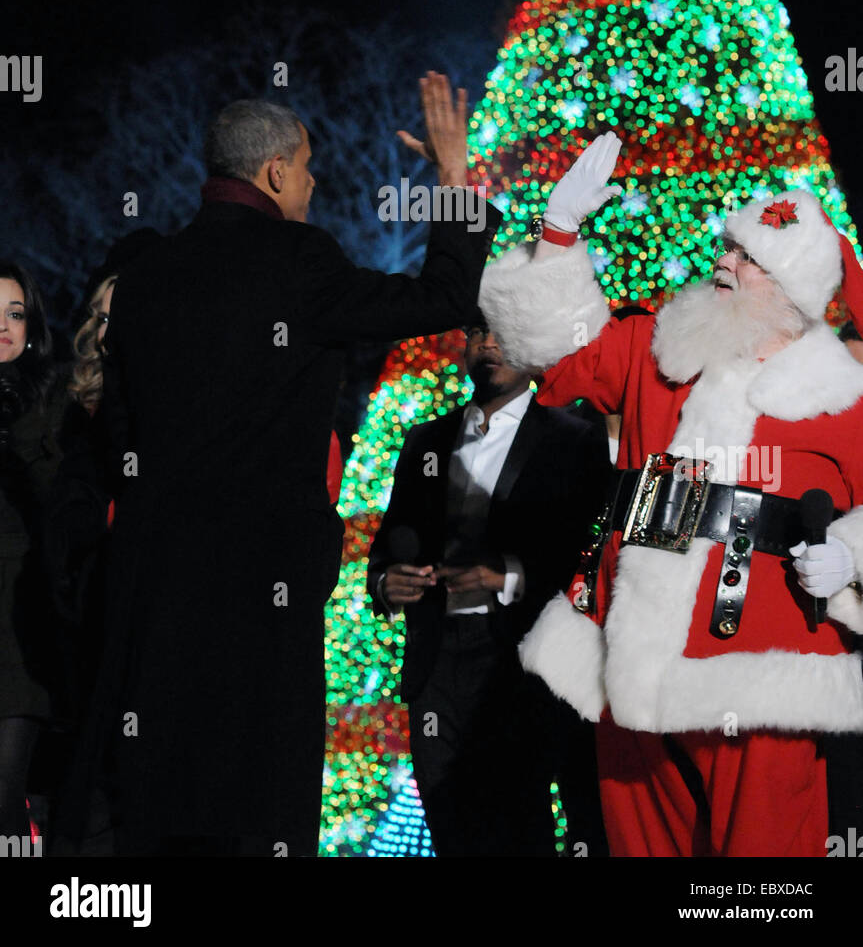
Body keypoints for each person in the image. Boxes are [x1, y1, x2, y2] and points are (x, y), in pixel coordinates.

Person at [59, 75, 501, 857]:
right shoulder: (298, 260)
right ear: (272, 173)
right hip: (263, 590)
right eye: (305, 166)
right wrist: (453, 178)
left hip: (154, 588)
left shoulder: (148, 276)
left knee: (162, 804)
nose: (313, 181)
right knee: (260, 805)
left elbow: (117, 438)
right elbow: (441, 296)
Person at [479, 133, 863, 858]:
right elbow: (548, 355)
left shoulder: (842, 399)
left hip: (761, 674)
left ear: (790, 295)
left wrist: (849, 558)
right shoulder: (651, 348)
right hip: (624, 657)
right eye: (728, 246)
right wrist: (554, 234)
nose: (725, 260)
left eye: (750, 259)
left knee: (762, 874)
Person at [367, 307, 610, 856]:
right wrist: (387, 583)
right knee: (450, 828)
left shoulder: (573, 439)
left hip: (519, 661)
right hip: (435, 664)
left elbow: (585, 556)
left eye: (503, 331)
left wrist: (507, 578)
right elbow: (388, 543)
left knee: (518, 827)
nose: (489, 342)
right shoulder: (425, 441)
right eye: (478, 331)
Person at [0, 261, 66, 844]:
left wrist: (17, 423)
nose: (3, 327)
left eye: (15, 314)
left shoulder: (49, 401)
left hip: (18, 631)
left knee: (5, 792)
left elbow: (60, 508)